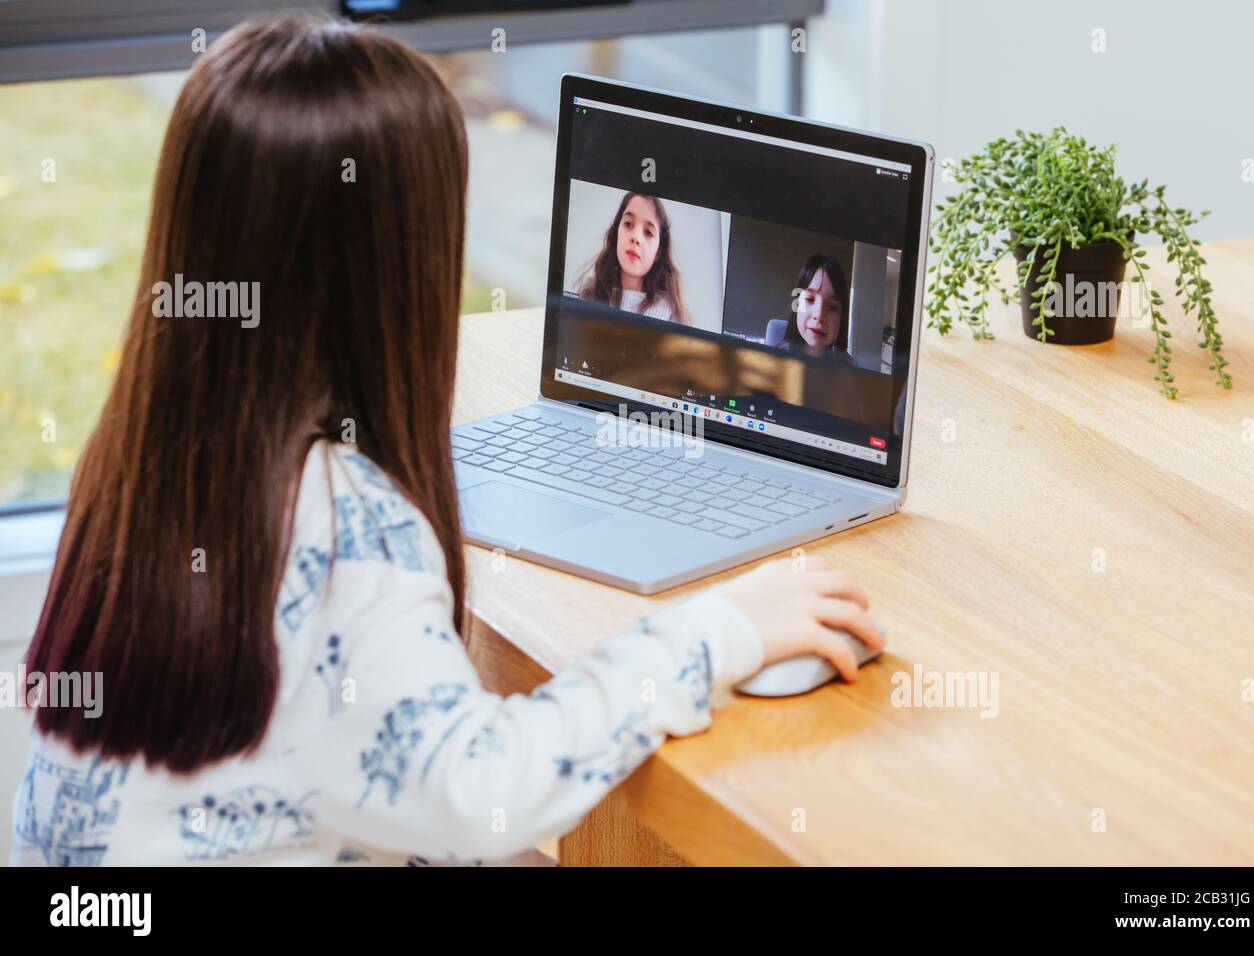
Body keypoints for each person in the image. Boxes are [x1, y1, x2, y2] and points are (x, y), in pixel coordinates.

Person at [11, 15, 884, 867]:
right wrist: (722, 630)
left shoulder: (141, 457)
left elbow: (346, 770)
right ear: (392, 271)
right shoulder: (345, 522)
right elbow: (480, 794)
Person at [576, 191, 692, 325]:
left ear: (658, 253)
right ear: (616, 234)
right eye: (628, 224)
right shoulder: (588, 298)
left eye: (648, 232)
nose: (636, 237)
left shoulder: (671, 314)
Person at [779, 252, 853, 360]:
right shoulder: (774, 361)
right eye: (809, 299)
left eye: (832, 307)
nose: (818, 315)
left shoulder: (847, 371)